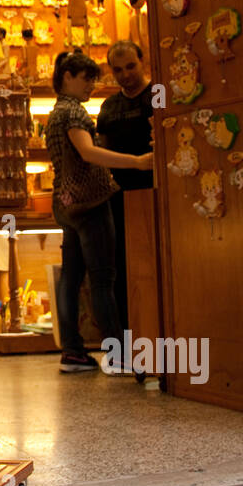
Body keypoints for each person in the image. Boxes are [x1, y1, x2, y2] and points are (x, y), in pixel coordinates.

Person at [46, 50, 153, 374]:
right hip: (90, 201)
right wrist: (136, 161)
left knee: (72, 279)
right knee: (103, 279)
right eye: (87, 79)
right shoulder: (74, 112)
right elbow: (88, 152)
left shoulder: (56, 112)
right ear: (68, 77)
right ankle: (118, 354)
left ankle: (73, 353)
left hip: (65, 203)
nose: (92, 85)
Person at [96, 40, 154, 328]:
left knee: (156, 266)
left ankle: (159, 333)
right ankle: (131, 338)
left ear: (143, 61)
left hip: (156, 195)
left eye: (131, 66)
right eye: (118, 70)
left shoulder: (158, 95)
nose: (125, 74)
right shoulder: (109, 105)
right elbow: (102, 150)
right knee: (123, 268)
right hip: (118, 199)